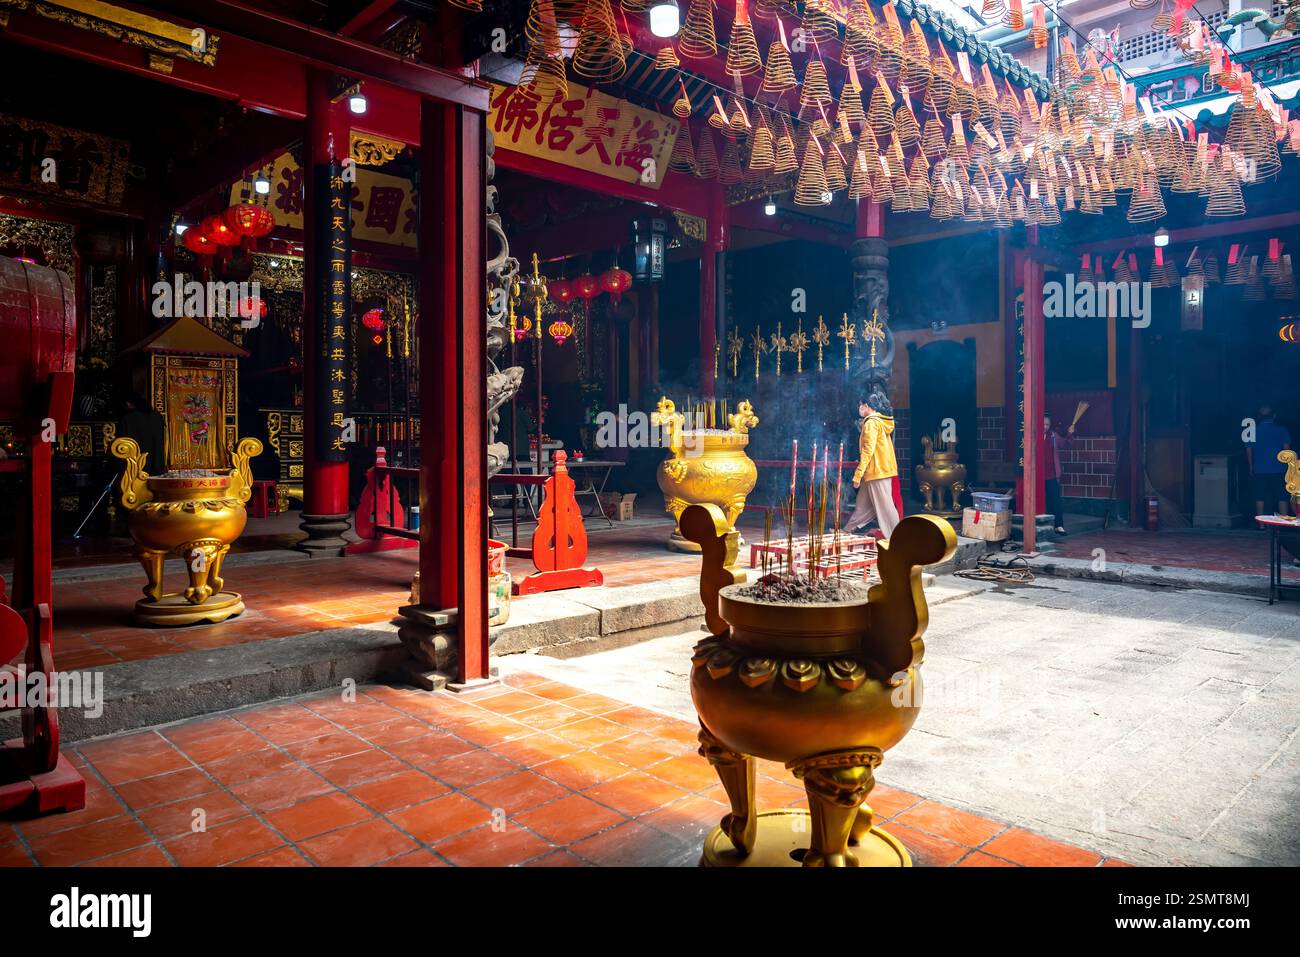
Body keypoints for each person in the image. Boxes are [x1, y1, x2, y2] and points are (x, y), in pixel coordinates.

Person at [844, 392, 900, 538]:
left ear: (866, 406)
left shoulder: (871, 423)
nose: (859, 408)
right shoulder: (880, 421)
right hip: (878, 470)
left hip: (877, 471)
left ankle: (899, 539)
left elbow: (868, 451)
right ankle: (847, 531)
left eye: (860, 405)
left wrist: (858, 475)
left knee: (886, 508)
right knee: (862, 506)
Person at [1246, 405, 1291, 516]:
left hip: (1259, 468)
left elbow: (1249, 450)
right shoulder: (1282, 430)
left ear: (1258, 417)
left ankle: (1261, 524)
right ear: (1274, 416)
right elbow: (1287, 450)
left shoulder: (1252, 432)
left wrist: (1251, 466)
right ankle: (1283, 521)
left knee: (1259, 496)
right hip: (1279, 468)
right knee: (1282, 496)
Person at [117, 390, 167, 474]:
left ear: (129, 403)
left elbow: (123, 442)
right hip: (156, 462)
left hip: (137, 464)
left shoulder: (128, 418)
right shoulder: (157, 416)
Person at [1043, 411, 1074, 536]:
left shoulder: (1053, 436)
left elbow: (1066, 444)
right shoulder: (1032, 436)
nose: (1045, 426)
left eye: (1047, 424)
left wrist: (1070, 433)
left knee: (1055, 500)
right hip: (1037, 475)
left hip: (1051, 474)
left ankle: (1058, 525)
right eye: (1043, 424)